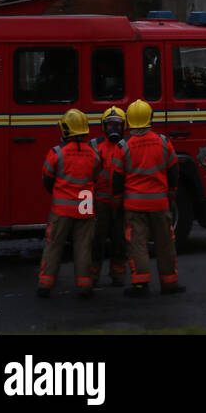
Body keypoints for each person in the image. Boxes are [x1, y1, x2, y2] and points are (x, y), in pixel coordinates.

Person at [113, 99, 185, 297]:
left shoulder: (123, 146)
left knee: (137, 244)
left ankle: (140, 284)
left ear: (129, 120)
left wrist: (117, 200)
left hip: (135, 205)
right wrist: (171, 192)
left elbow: (117, 177)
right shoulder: (163, 142)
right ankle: (169, 283)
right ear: (150, 118)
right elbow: (173, 170)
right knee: (165, 243)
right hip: (160, 203)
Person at [37, 108, 101, 299]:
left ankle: (45, 286)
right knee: (83, 247)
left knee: (54, 245)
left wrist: (59, 193)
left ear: (66, 130)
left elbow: (47, 179)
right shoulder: (94, 154)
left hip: (62, 208)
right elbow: (95, 177)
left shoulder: (57, 153)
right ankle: (84, 286)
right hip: (85, 206)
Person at [90, 106, 127, 287]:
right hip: (100, 203)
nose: (114, 128)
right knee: (97, 241)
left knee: (120, 241)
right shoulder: (95, 146)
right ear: (103, 126)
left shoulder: (126, 146)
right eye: (110, 124)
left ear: (124, 126)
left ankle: (118, 274)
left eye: (118, 125)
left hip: (120, 202)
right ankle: (92, 276)